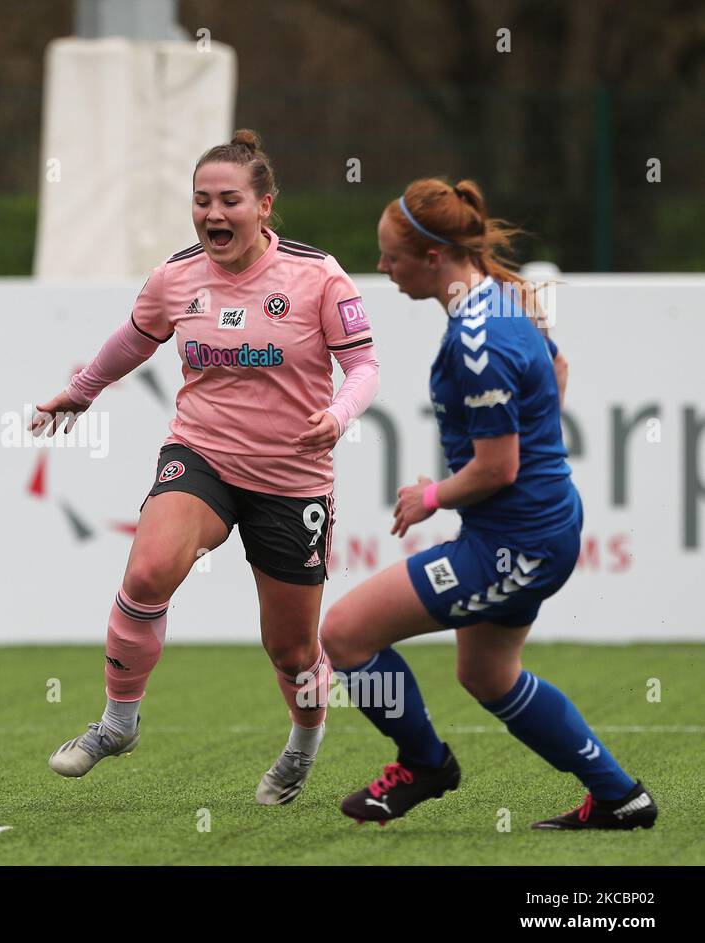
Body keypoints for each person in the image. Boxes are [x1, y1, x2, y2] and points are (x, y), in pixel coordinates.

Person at [35, 129, 379, 804]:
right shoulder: (176, 276)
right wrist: (79, 392)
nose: (213, 215)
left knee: (290, 651)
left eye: (229, 201)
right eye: (201, 201)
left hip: (291, 479)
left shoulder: (317, 275)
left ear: (265, 206)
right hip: (203, 457)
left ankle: (302, 745)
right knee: (148, 569)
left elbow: (362, 365)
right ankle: (116, 724)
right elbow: (133, 340)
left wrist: (337, 417)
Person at [321, 178, 656, 829]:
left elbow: (498, 468)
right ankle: (619, 797)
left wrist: (431, 495)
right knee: (488, 674)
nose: (384, 270)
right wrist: (532, 452)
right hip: (537, 527)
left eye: (391, 257)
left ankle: (424, 764)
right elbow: (557, 372)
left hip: (514, 546)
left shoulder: (477, 340)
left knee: (344, 634)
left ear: (433, 257)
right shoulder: (501, 298)